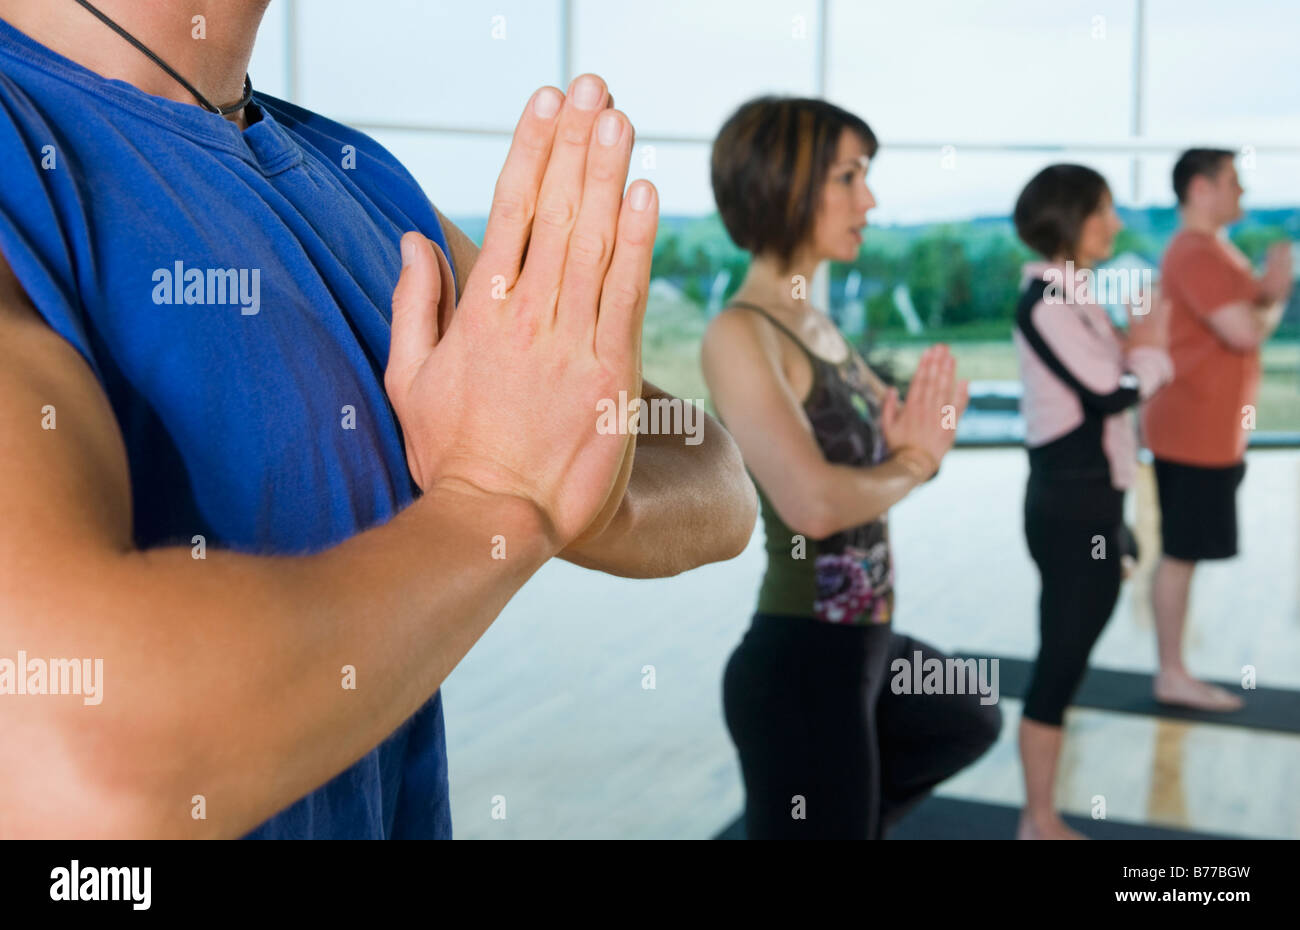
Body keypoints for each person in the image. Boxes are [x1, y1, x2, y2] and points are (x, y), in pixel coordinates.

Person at [0, 0, 756, 838]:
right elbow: (71, 754)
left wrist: (546, 478)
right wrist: (494, 503)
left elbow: (712, 472)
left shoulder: (358, 177)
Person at [702, 96, 1002, 841]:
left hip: (867, 645)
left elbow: (899, 455)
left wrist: (912, 449)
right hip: (802, 661)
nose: (868, 198)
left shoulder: (818, 323)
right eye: (849, 176)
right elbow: (814, 504)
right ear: (786, 185)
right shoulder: (741, 334)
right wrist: (913, 459)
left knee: (967, 717)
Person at [1011, 164, 1173, 839]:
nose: (1115, 223)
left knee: (1066, 655)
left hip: (1093, 505)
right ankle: (1038, 819)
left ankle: (1040, 814)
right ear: (1070, 218)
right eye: (1104, 211)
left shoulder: (1073, 296)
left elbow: (1110, 389)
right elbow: (1111, 393)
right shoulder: (1047, 302)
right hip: (1070, 510)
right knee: (1060, 662)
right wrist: (1153, 348)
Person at [1141, 149, 1294, 711]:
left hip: (1209, 431)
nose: (1244, 192)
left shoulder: (1214, 251)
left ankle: (1174, 669)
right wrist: (1276, 293)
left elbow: (1248, 311)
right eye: (1234, 180)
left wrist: (1268, 293)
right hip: (1191, 432)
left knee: (1186, 553)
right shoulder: (1194, 253)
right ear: (1200, 189)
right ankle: (1172, 674)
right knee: (1180, 555)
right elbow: (1245, 332)